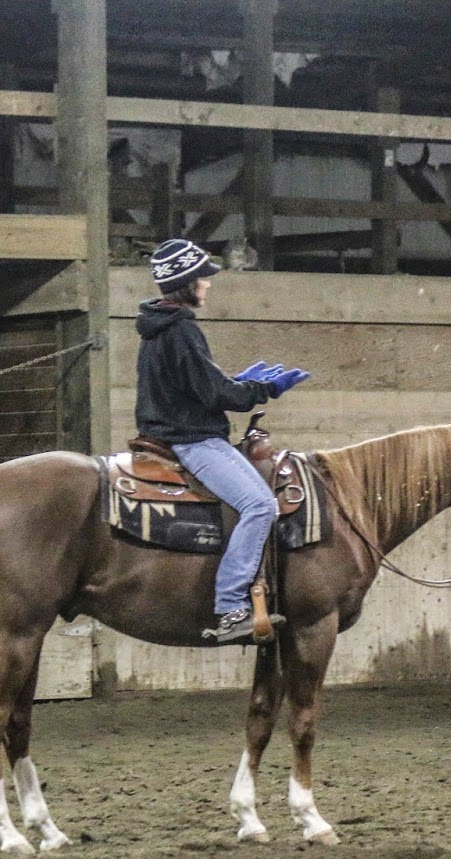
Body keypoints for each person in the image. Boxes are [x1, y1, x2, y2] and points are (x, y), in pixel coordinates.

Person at [134, 238, 311, 643]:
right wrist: (261, 390)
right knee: (260, 505)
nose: (208, 285)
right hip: (192, 441)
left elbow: (201, 385)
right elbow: (216, 395)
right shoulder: (182, 330)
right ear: (187, 283)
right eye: (203, 279)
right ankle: (231, 607)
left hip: (168, 432)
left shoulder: (157, 327)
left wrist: (239, 382)